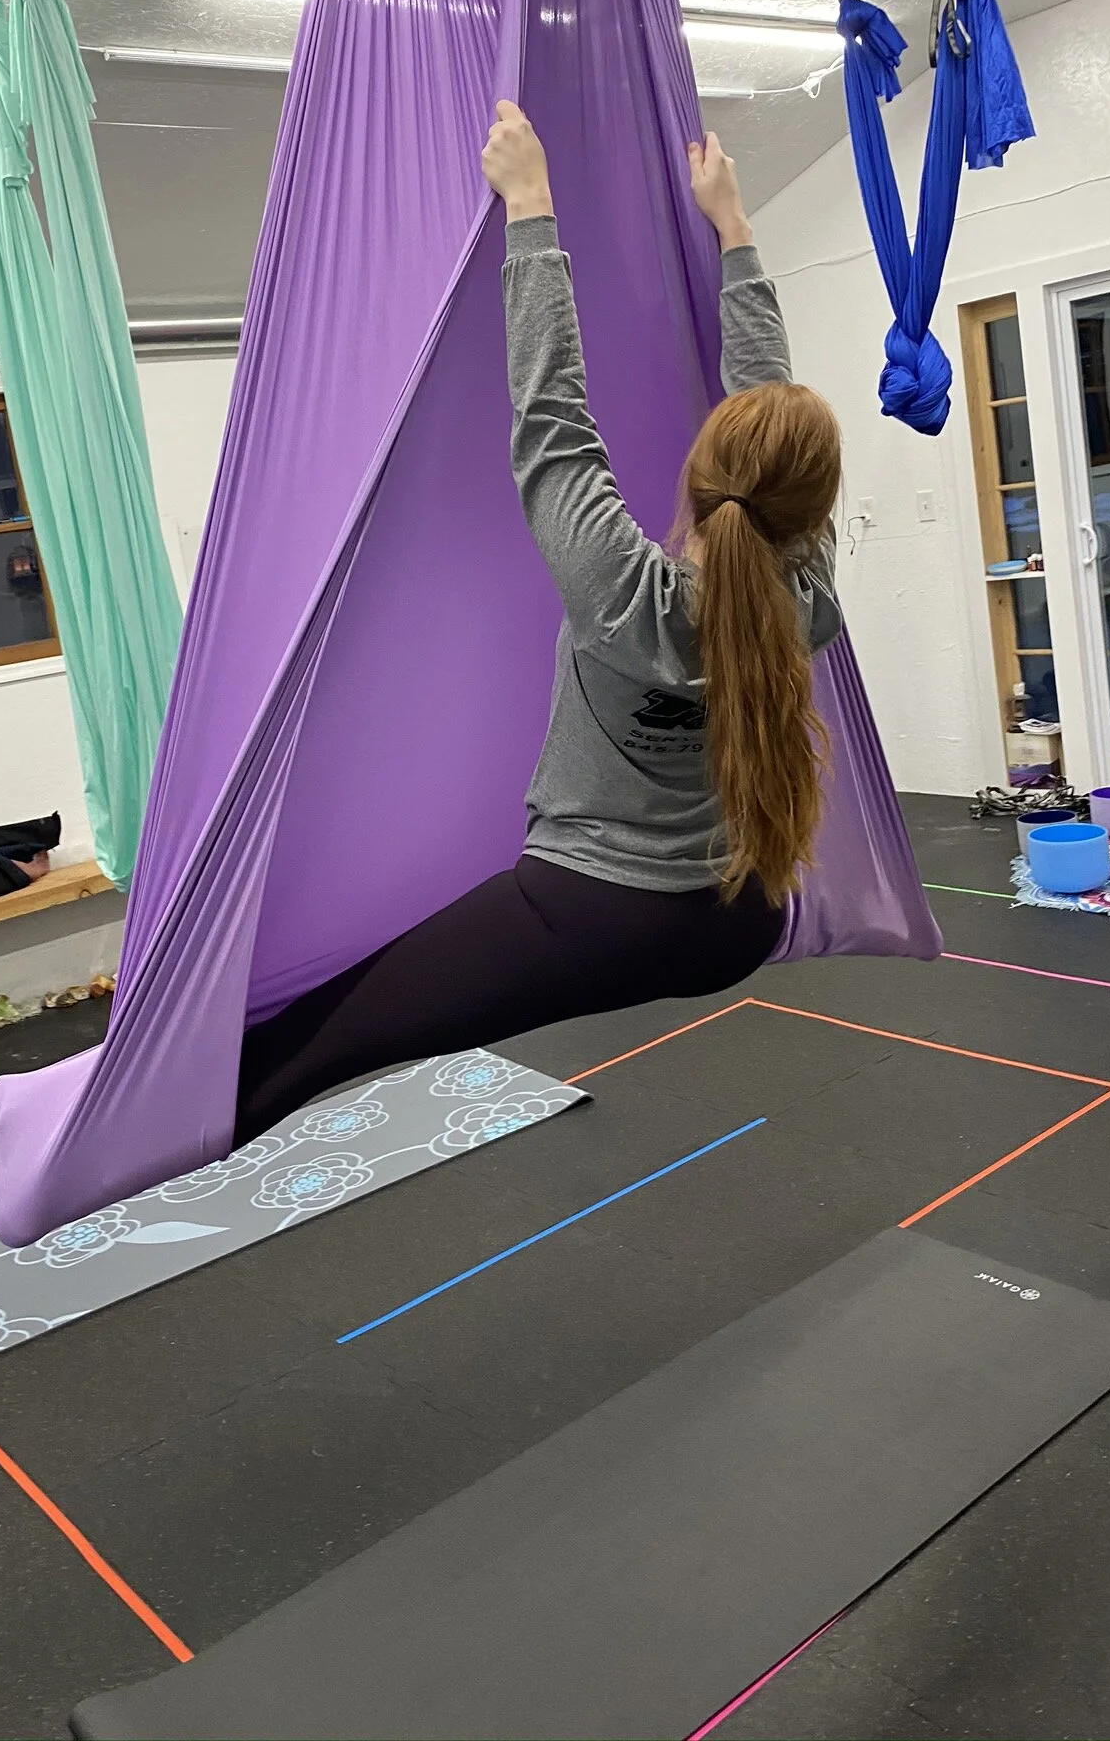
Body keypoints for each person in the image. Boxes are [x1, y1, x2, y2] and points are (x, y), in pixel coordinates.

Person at [232, 107, 843, 1145]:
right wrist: (732, 231)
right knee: (347, 1021)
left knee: (326, 1036)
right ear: (813, 515)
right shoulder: (808, 595)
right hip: (739, 919)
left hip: (592, 917)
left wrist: (532, 206)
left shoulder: (624, 590)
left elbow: (552, 412)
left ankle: (123, 1139)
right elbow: (744, 405)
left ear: (700, 479)